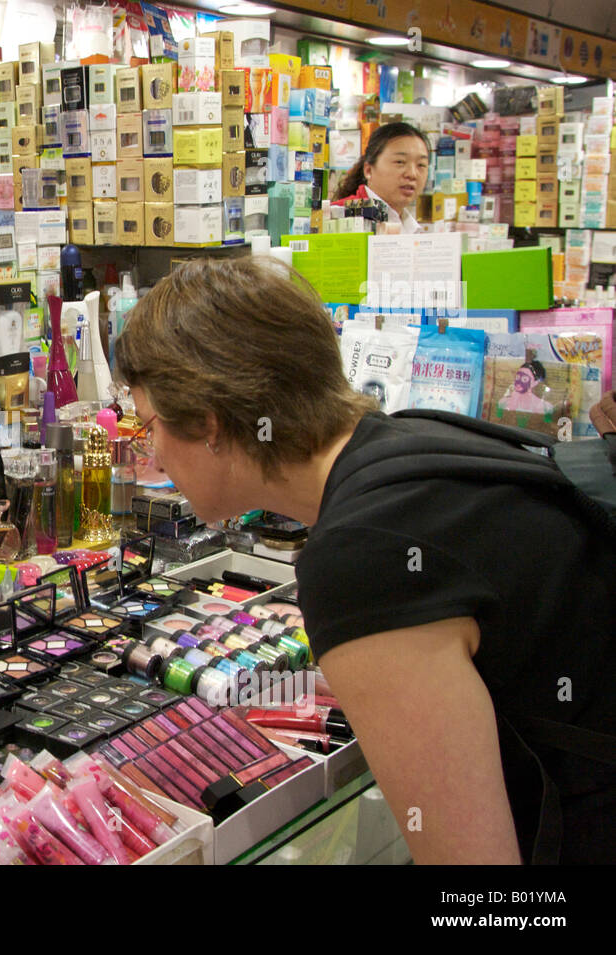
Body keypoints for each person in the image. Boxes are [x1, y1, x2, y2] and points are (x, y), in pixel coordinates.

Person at [114, 256, 616, 864]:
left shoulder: (364, 561)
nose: (155, 459)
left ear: (211, 424)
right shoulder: (413, 438)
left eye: (148, 427)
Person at [332, 121, 429, 234]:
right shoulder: (336, 217)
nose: (412, 174)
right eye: (400, 162)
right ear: (368, 170)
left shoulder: (410, 226)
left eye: (421, 165)